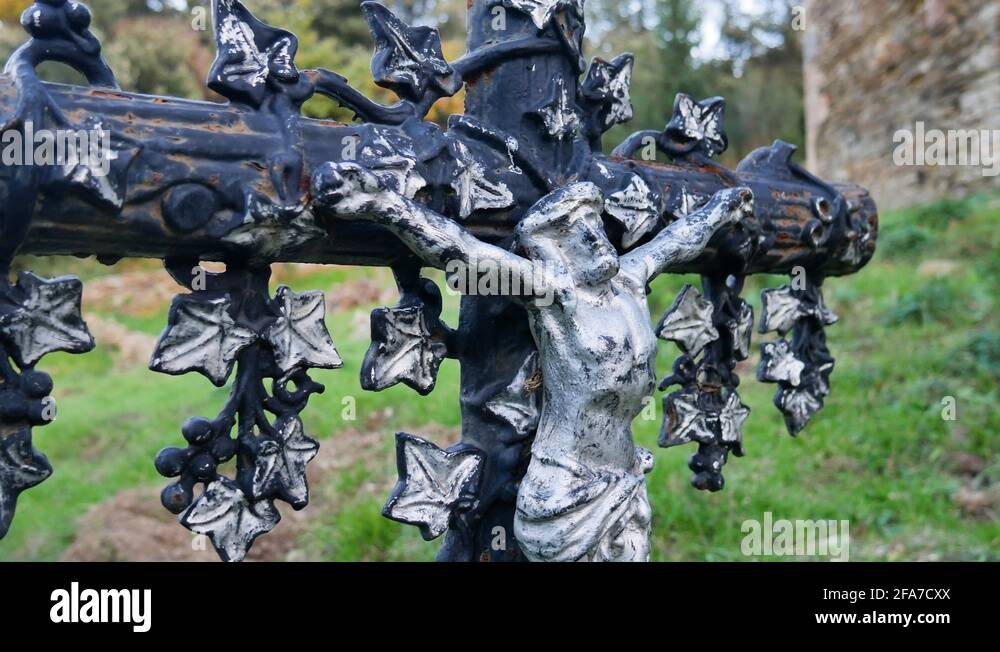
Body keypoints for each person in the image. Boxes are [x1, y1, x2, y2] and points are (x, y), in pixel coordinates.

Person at [314, 162, 753, 561]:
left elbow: (678, 241)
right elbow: (461, 252)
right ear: (556, 251)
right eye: (574, 234)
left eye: (593, 227)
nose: (594, 241)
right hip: (565, 488)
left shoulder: (630, 278)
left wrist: (720, 209)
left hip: (624, 472)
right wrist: (384, 203)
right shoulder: (554, 296)